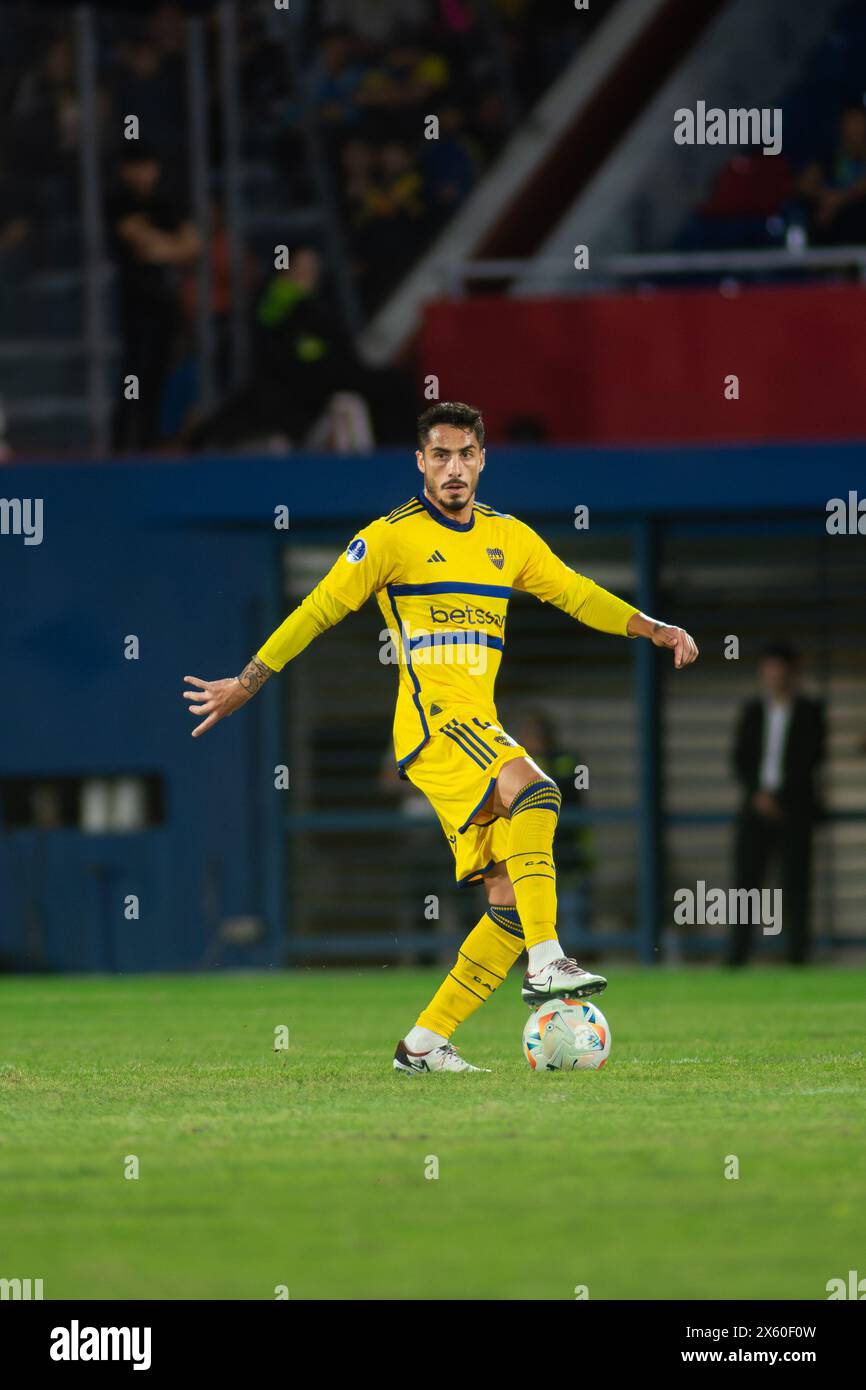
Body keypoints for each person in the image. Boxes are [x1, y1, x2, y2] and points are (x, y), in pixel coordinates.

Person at [183, 401, 699, 1072]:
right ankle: (548, 962)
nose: (454, 468)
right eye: (441, 455)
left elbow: (576, 592)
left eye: (465, 455)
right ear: (421, 462)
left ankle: (423, 1045)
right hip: (434, 725)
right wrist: (248, 682)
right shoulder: (389, 540)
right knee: (538, 793)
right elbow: (315, 611)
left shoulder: (508, 539)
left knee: (509, 902)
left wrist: (654, 627)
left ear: (482, 459)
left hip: (474, 724)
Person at [729, 643, 825, 965]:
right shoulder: (753, 711)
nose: (774, 675)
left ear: (792, 673)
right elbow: (740, 758)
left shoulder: (810, 711)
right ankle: (737, 957)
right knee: (747, 885)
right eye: (769, 668)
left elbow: (811, 758)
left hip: (794, 811)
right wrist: (759, 793)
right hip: (755, 808)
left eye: (780, 668)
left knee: (796, 883)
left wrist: (781, 799)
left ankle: (798, 956)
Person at [107, 146, 199, 451]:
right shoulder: (120, 202)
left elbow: (191, 246)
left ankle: (148, 441)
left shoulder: (166, 204)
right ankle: (122, 443)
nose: (142, 174)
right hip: (136, 306)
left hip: (165, 305)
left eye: (147, 165)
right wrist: (169, 247)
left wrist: (162, 249)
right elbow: (133, 236)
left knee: (159, 375)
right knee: (134, 375)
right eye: (135, 166)